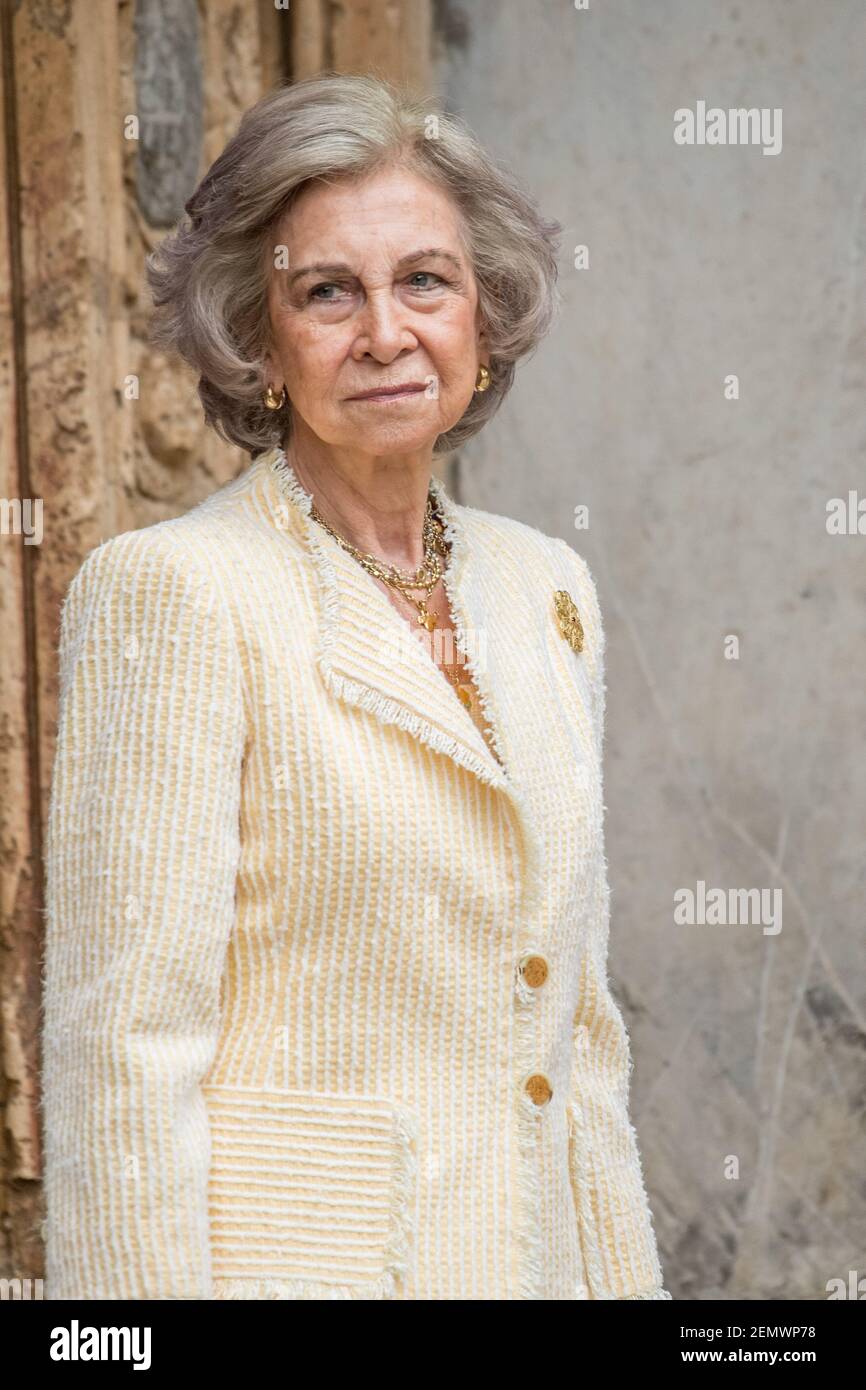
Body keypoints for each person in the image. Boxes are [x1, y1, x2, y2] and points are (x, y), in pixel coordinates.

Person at [41, 72, 670, 1300]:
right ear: (259, 340)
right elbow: (123, 1056)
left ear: (480, 314)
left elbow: (578, 1039)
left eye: (423, 280)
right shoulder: (174, 595)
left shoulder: (546, 589)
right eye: (326, 292)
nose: (385, 330)